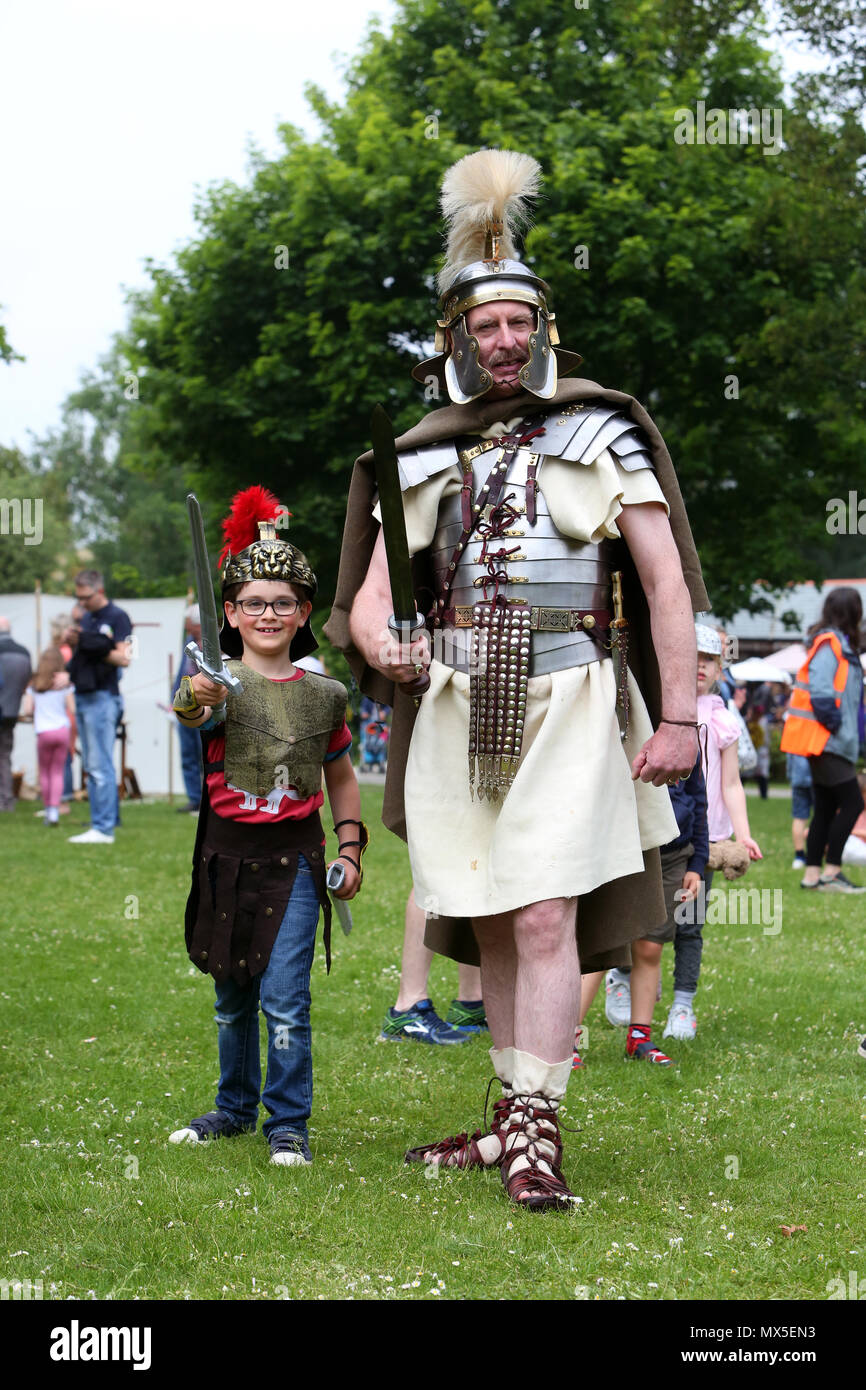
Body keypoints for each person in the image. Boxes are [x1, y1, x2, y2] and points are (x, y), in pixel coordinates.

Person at [326, 149, 708, 1209]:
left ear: (542, 329)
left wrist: (678, 713)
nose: (503, 342)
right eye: (483, 328)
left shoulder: (600, 429)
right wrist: (383, 643)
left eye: (517, 325)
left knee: (542, 914)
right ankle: (508, 1113)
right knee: (491, 914)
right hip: (452, 701)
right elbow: (364, 594)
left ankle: (537, 1122)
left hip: (571, 698)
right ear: (456, 340)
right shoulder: (413, 454)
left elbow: (664, 581)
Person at [168, 486, 364, 1167]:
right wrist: (201, 693)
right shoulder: (213, 683)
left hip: (294, 864)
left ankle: (287, 1124)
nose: (268, 613)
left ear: (303, 611)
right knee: (231, 999)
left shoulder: (327, 693)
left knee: (285, 1000)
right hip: (224, 862)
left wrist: (351, 847)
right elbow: (191, 710)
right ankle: (232, 1107)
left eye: (282, 602)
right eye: (253, 602)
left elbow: (340, 774)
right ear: (230, 611)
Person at [574, 753, 709, 1067]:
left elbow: (698, 802)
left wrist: (698, 862)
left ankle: (639, 1037)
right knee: (603, 945)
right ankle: (566, 1039)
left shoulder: (685, 737)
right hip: (620, 847)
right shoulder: (620, 719)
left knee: (650, 948)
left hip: (673, 854)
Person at [662, 624, 762, 1040]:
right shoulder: (661, 707)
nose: (700, 666)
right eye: (693, 658)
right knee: (643, 917)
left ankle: (682, 1006)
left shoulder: (723, 720)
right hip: (662, 833)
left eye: (709, 660)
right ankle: (622, 978)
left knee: (689, 924)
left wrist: (743, 834)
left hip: (706, 839)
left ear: (720, 668)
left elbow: (732, 784)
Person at [782, 587, 865, 894]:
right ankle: (832, 871)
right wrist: (834, 727)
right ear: (853, 613)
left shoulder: (839, 645)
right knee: (854, 803)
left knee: (826, 808)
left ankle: (812, 876)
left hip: (831, 742)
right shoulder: (830, 645)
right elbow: (821, 691)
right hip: (827, 742)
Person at [66, 570, 132, 844]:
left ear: (99, 591)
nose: (82, 603)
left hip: (103, 696)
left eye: (86, 598)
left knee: (98, 764)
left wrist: (89, 644)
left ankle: (103, 829)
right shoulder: (88, 617)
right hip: (84, 693)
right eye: (78, 598)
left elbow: (125, 658)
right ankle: (105, 820)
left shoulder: (117, 617)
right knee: (95, 763)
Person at [19, 648, 76, 826]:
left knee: (45, 772)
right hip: (61, 730)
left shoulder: (35, 685)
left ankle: (48, 809)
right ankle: (55, 811)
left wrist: (37, 712)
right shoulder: (65, 685)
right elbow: (73, 709)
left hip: (44, 731)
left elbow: (28, 710)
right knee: (58, 771)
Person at [171, 604, 204, 814]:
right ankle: (195, 798)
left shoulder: (213, 644)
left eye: (187, 620)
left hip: (204, 705)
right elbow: (181, 674)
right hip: (185, 703)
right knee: (188, 754)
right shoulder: (188, 642)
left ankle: (208, 798)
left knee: (205, 754)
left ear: (196, 623)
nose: (185, 624)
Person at [0, 617, 32, 811]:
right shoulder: (23, 653)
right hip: (11, 713)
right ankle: (6, 799)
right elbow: (25, 685)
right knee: (4, 755)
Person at [787, 751, 813, 871]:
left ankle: (799, 856)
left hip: (798, 778)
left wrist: (791, 775)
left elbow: (790, 757)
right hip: (817, 777)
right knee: (822, 817)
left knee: (799, 818)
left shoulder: (794, 732)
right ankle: (818, 853)